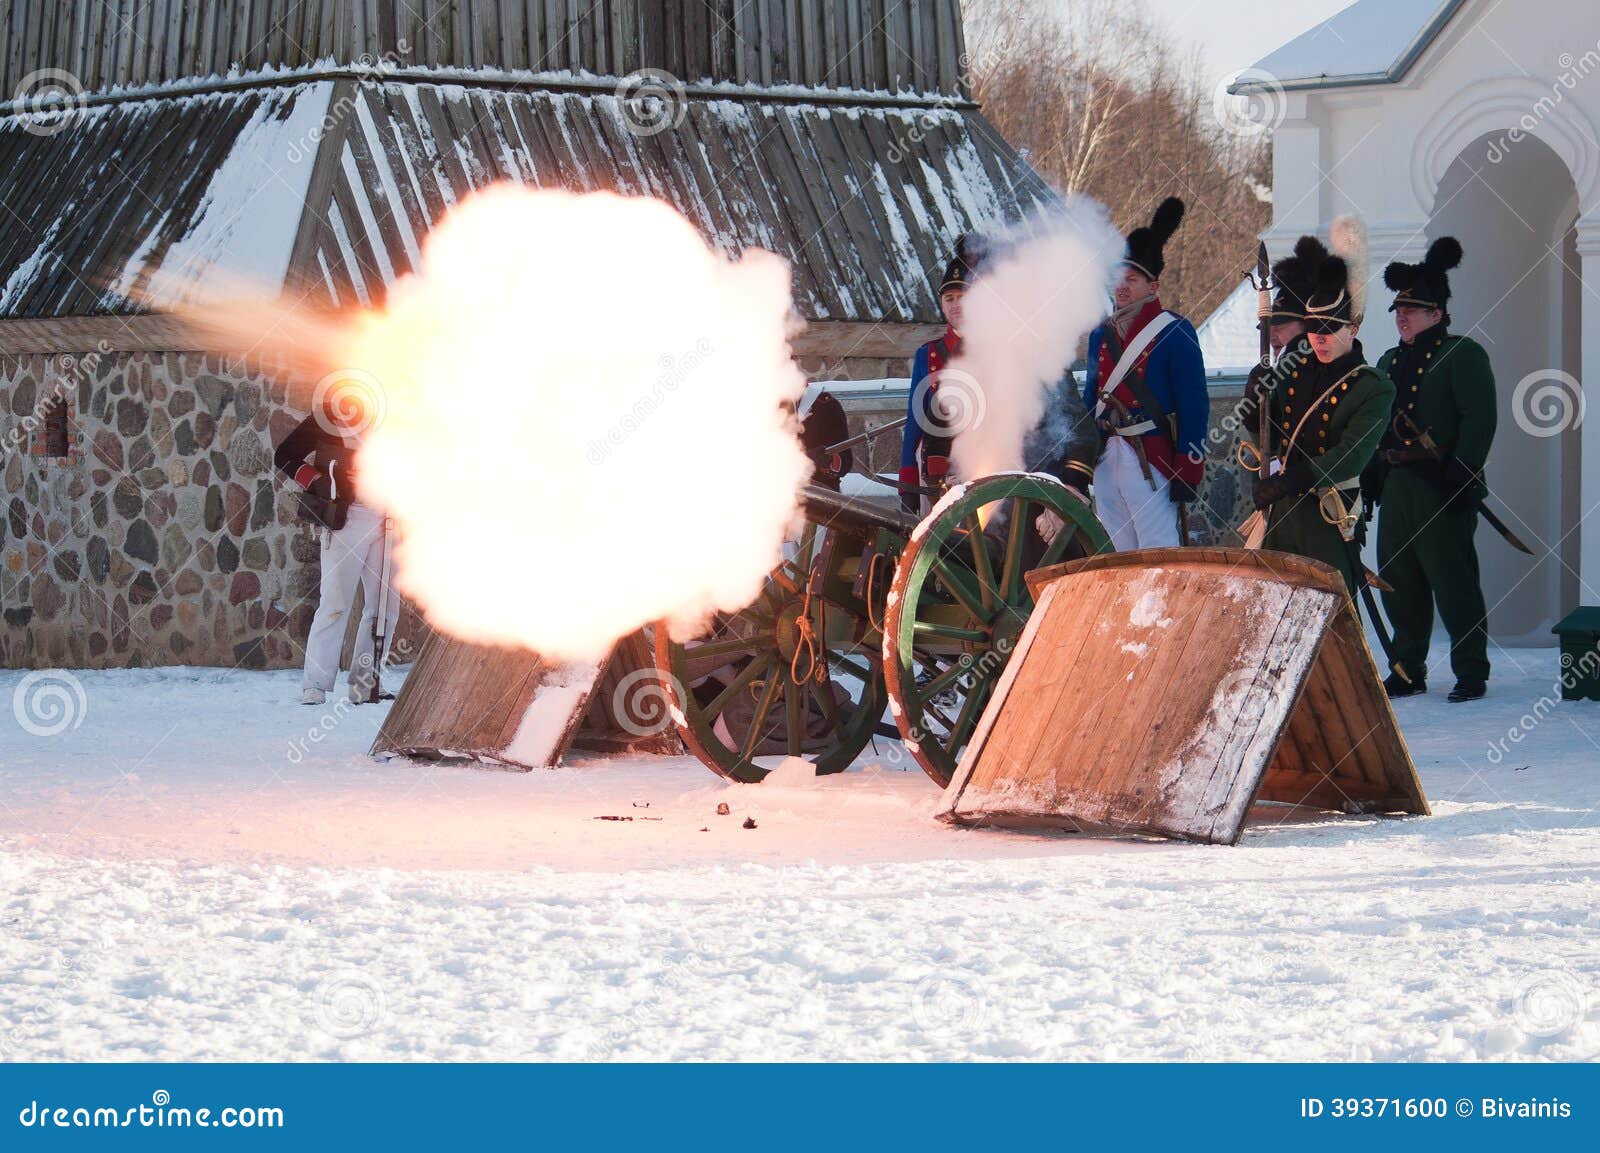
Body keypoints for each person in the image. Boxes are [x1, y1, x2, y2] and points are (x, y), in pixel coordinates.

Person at [1364, 238, 1497, 702]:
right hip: (1398, 485)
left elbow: (1479, 421)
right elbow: (1376, 427)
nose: (1403, 316)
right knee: (1399, 582)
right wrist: (1371, 476)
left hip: (1441, 485)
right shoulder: (1388, 363)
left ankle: (1470, 670)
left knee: (1453, 581)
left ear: (1437, 313)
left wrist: (1463, 472)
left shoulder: (1463, 356)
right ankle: (1407, 667)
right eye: (1400, 309)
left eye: (1414, 310)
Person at [1250, 218, 1394, 595]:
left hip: (1331, 515)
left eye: (1331, 329)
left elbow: (1350, 456)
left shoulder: (1372, 386)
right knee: (1276, 615)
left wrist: (1288, 481)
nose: (1320, 339)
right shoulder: (1294, 371)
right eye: (1314, 329)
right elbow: (1268, 430)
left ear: (1354, 328)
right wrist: (1254, 399)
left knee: (1335, 618)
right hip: (1285, 515)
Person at [1080, 197, 1207, 550]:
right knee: (1115, 555)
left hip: (1152, 459)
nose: (1122, 286)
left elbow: (1194, 406)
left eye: (1132, 278)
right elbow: (1092, 399)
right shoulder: (1100, 335)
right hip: (1107, 458)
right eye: (1119, 277)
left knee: (1158, 554)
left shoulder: (1175, 331)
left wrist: (1188, 467)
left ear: (1153, 286)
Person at [274, 393, 400, 706]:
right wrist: (320, 482)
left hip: (388, 514)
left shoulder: (399, 412)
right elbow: (286, 455)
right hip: (346, 516)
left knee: (385, 607)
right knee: (335, 602)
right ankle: (314, 685)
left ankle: (364, 683)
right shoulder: (331, 414)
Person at [898, 235, 983, 516]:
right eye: (949, 298)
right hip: (935, 466)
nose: (956, 304)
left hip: (983, 462)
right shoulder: (928, 354)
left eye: (962, 297)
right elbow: (915, 422)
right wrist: (908, 480)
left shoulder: (995, 349)